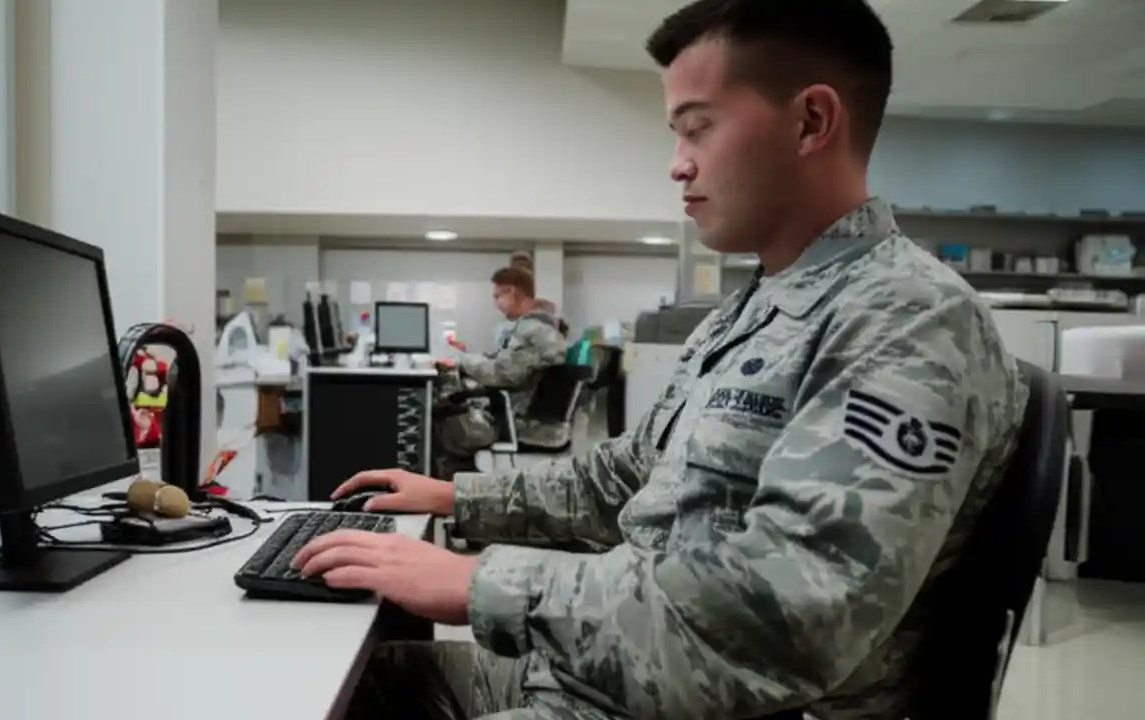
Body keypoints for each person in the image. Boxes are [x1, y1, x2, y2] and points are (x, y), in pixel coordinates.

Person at [291, 1, 1028, 718]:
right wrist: (453, 500)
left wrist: (478, 581)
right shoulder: (753, 309)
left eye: (697, 130)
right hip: (607, 674)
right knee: (340, 681)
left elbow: (790, 617)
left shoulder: (909, 319)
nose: (677, 166)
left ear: (811, 121)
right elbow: (619, 480)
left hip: (704, 701)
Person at [434, 267, 566, 477]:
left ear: (514, 292)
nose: (496, 302)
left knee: (435, 419)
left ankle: (449, 486)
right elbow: (502, 362)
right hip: (507, 411)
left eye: (498, 296)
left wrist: (460, 362)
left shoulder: (533, 331)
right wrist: (467, 357)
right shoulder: (534, 329)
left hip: (507, 419)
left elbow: (504, 373)